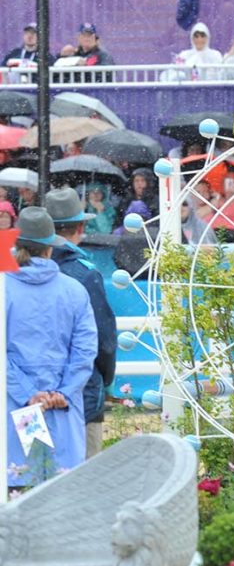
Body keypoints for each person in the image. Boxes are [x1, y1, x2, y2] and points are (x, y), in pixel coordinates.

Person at [5, 207, 98, 483]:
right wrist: (64, 391)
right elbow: (85, 352)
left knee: (23, 481)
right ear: (50, 248)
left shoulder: (4, 287)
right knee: (60, 487)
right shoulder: (74, 289)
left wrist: (29, 394)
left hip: (19, 402)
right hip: (62, 403)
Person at [45, 189, 117, 460]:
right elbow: (104, 341)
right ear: (81, 226)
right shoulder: (85, 274)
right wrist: (106, 380)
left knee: (32, 478)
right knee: (85, 481)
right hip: (80, 393)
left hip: (30, 393)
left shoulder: (16, 273)